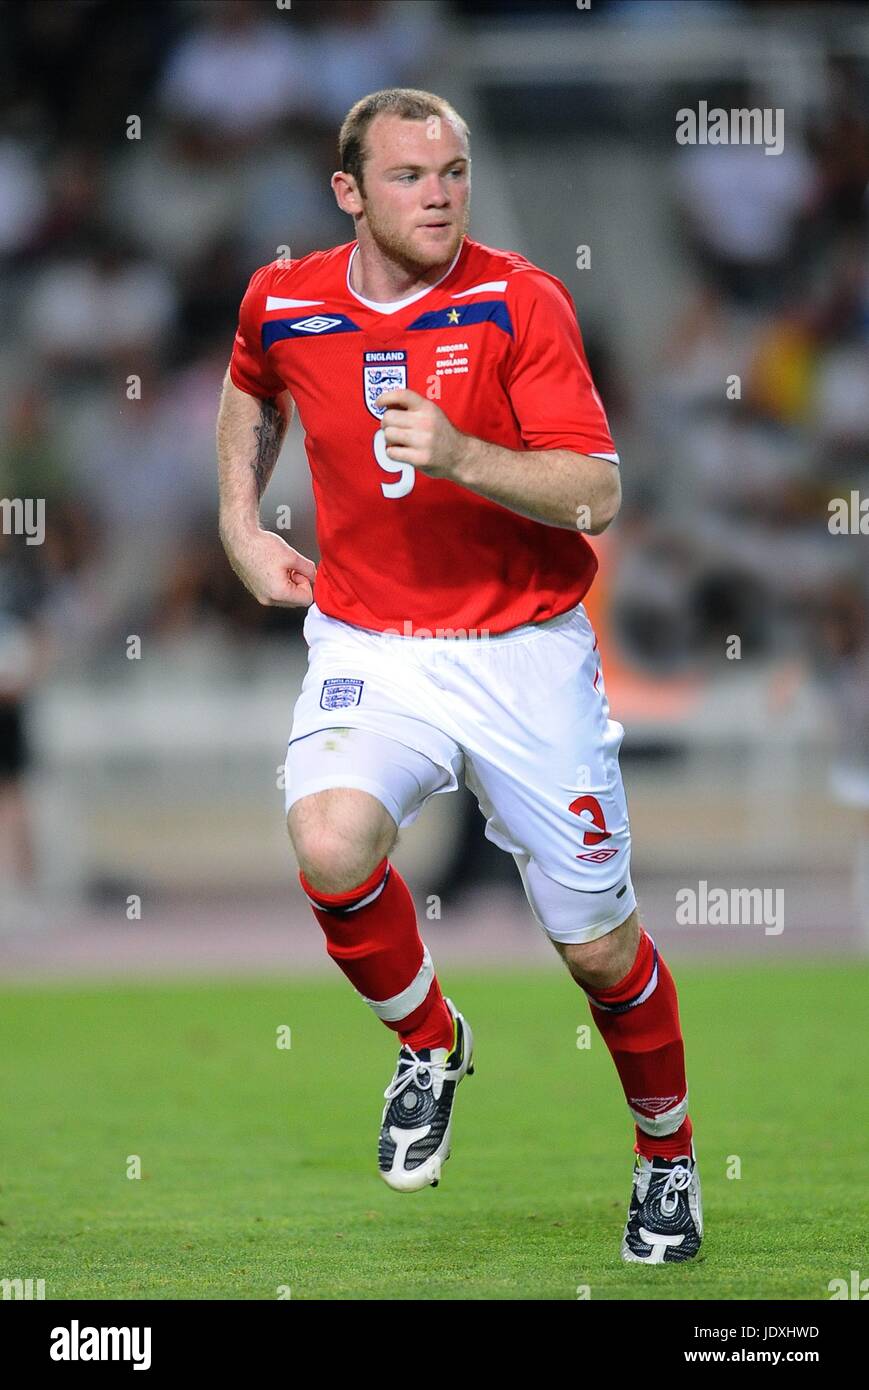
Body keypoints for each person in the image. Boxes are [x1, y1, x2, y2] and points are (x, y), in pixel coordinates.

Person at [216, 88, 701, 1264]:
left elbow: (596, 493)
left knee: (595, 947)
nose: (436, 195)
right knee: (328, 843)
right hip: (372, 642)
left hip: (523, 650)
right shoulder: (284, 298)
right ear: (348, 192)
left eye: (452, 172)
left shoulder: (516, 300)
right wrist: (238, 524)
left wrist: (466, 454)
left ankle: (666, 1157)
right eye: (407, 176)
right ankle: (427, 1039)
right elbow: (250, 391)